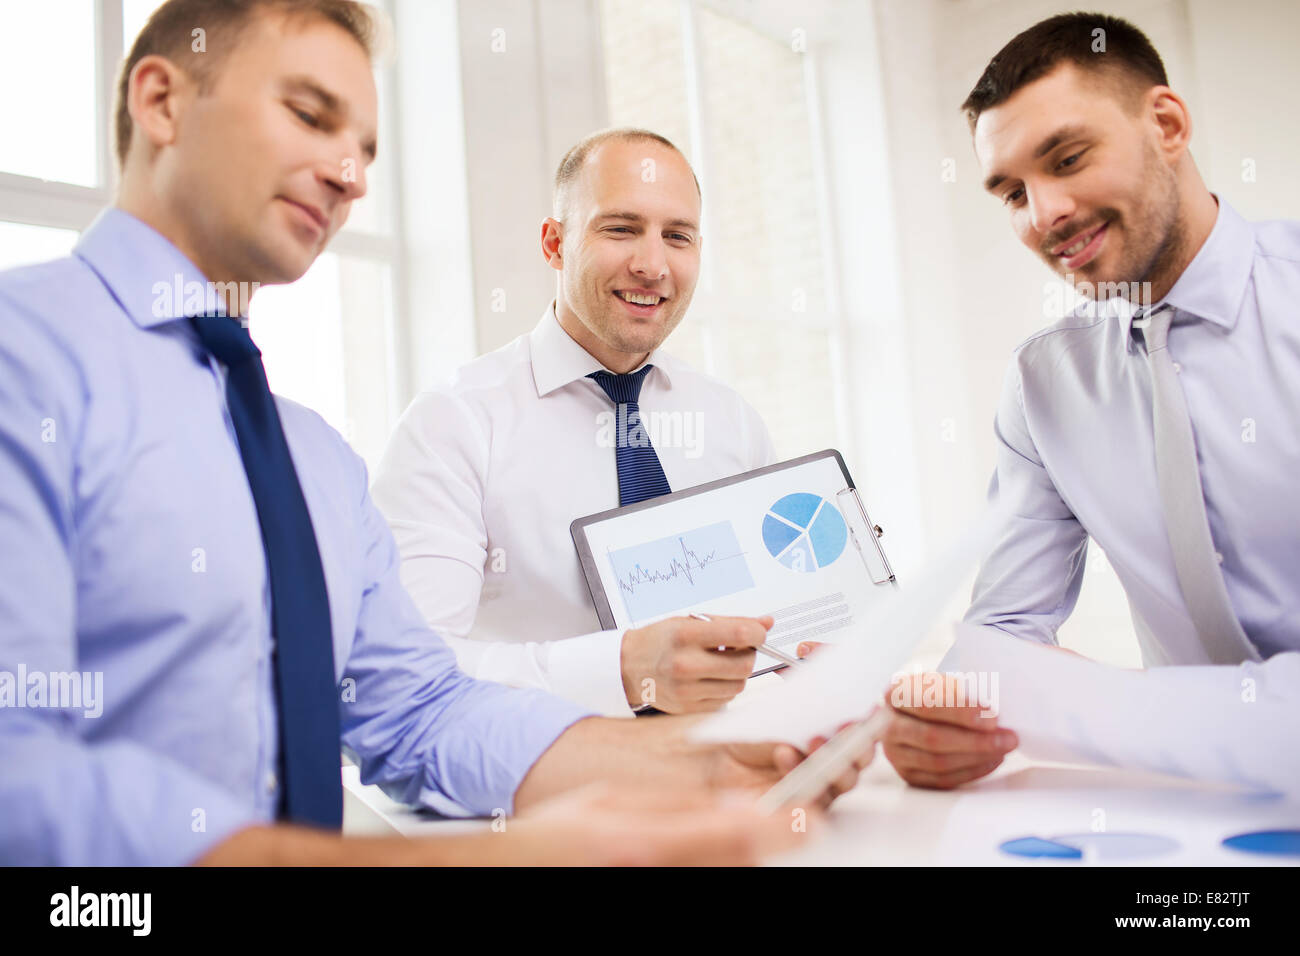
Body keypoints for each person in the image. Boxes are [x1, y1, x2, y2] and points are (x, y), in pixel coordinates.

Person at [0, 0, 862, 866]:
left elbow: (422, 714)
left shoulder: (316, 463)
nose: (351, 175)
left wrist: (714, 765)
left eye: (367, 151)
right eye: (309, 115)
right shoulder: (22, 359)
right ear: (161, 103)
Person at [876, 11, 1300, 789]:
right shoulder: (1046, 381)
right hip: (1196, 827)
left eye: (1067, 159)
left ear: (1166, 123)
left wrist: (1098, 707)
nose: (1044, 216)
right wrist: (945, 720)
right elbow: (998, 643)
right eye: (1010, 193)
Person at [371, 128, 778, 716]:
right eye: (620, 229)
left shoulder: (733, 423)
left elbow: (777, 621)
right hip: (543, 789)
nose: (652, 265)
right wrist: (617, 670)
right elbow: (407, 669)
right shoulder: (453, 425)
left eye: (678, 236)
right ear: (554, 244)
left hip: (729, 775)